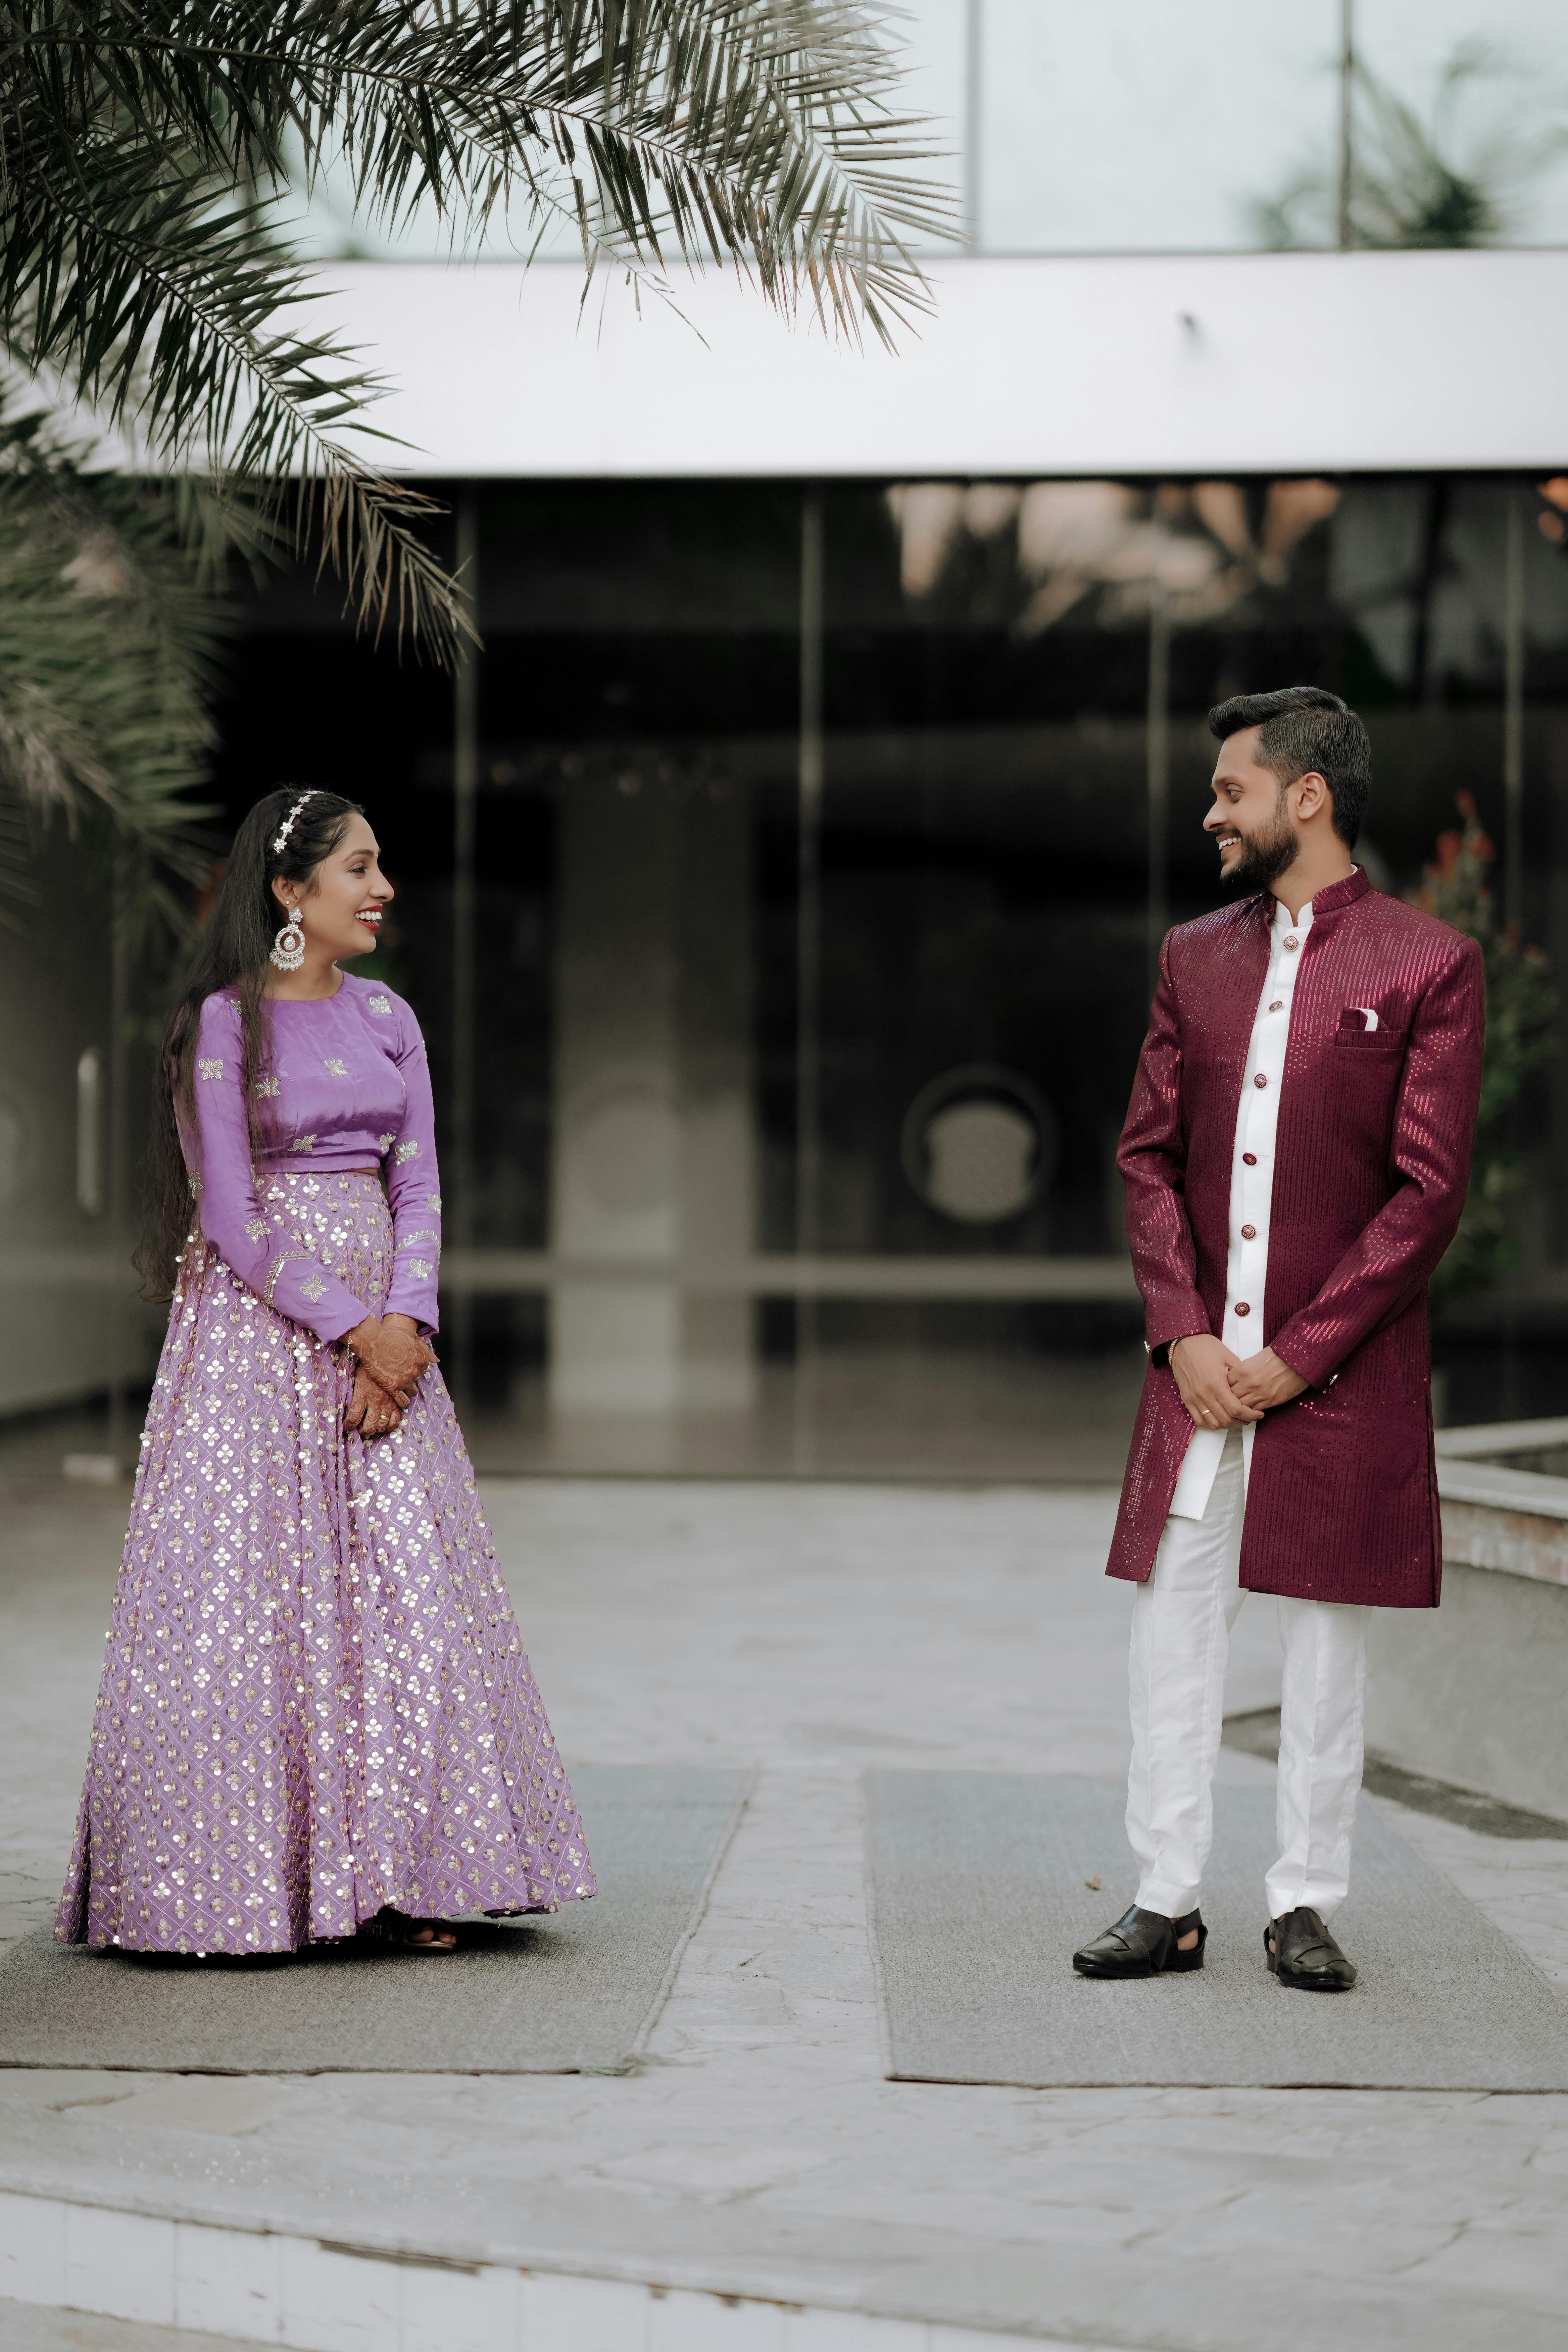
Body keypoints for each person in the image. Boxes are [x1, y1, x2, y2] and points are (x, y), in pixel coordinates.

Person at [55, 789, 594, 1957]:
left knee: (408, 1600)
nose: (382, 887)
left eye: (382, 866)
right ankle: (252, 1884)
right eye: (359, 868)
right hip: (261, 1348)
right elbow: (237, 1223)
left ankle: (409, 1876)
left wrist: (407, 1325)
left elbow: (421, 1185)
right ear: (290, 893)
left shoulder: (390, 1015)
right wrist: (358, 1328)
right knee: (256, 1610)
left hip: (389, 1352)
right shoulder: (223, 1027)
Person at [1073, 687, 1483, 1992]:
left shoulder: (1427, 965)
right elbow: (1145, 1158)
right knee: (1172, 1631)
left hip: (1337, 1372)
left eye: (1230, 790)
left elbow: (1426, 1196)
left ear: (1305, 795)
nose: (1211, 813)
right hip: (1198, 1377)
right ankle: (1164, 1897)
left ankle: (1303, 1899)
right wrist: (1184, 1335)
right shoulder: (1192, 953)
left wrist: (1298, 1356)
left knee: (1323, 1640)